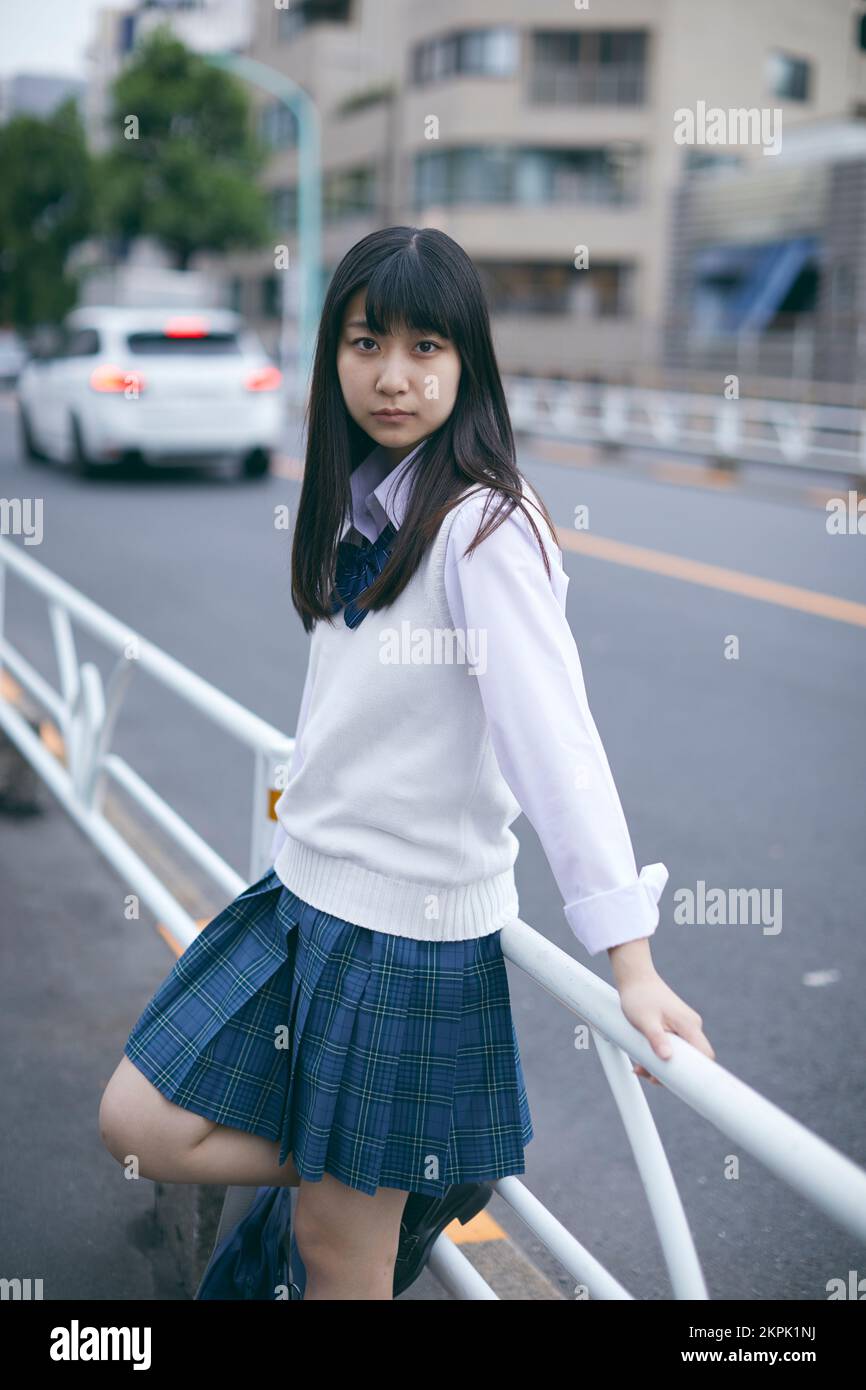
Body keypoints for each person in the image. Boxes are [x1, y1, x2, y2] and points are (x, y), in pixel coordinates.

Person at [99, 225, 715, 1301]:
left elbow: (554, 744)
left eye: (426, 348)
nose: (392, 376)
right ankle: (418, 1151)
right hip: (300, 902)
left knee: (340, 1257)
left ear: (467, 362)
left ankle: (399, 1157)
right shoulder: (361, 503)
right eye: (365, 342)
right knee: (138, 1121)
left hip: (405, 938)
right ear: (330, 356)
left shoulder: (484, 529)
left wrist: (630, 957)